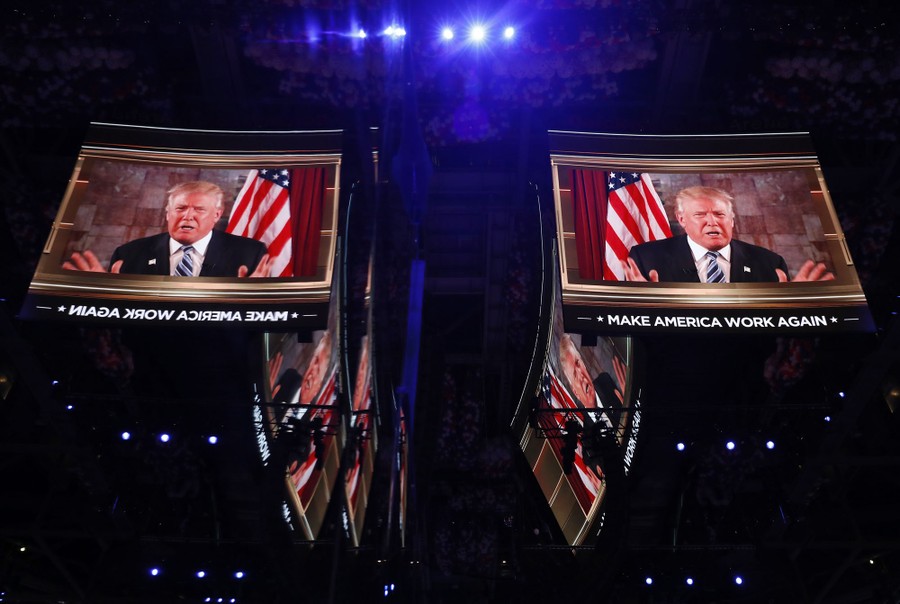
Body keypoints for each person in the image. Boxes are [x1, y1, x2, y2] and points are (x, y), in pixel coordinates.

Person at [621, 186, 834, 283]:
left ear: (731, 220)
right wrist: (642, 300)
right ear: (682, 219)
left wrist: (795, 304)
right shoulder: (647, 258)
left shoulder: (769, 263)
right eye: (700, 214)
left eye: (720, 214)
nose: (712, 221)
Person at [62, 180, 273, 277]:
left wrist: (250, 296)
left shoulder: (249, 253)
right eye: (180, 208)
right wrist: (105, 295)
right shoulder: (129, 254)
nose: (187, 215)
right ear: (168, 213)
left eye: (199, 209)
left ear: (216, 215)